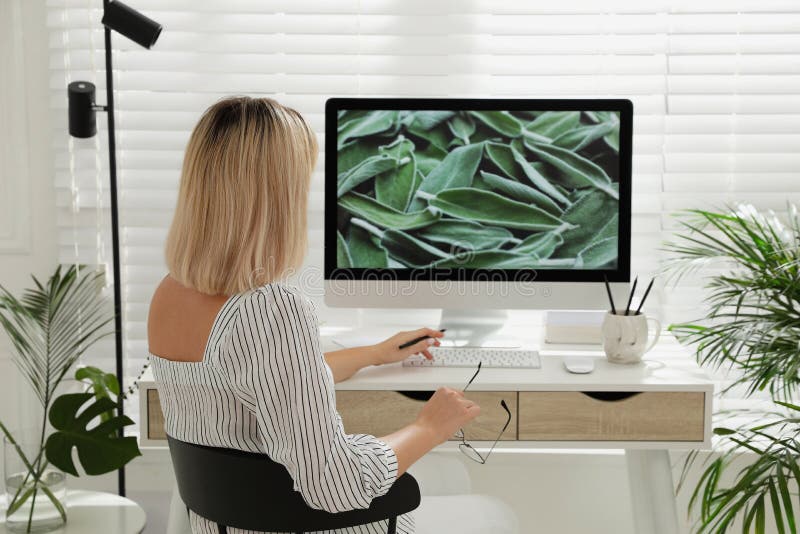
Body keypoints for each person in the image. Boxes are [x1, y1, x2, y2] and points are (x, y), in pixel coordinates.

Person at [148, 96, 481, 534]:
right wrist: (428, 426)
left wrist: (372, 354)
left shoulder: (169, 294)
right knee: (480, 499)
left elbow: (249, 378)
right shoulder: (269, 309)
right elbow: (333, 486)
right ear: (276, 195)